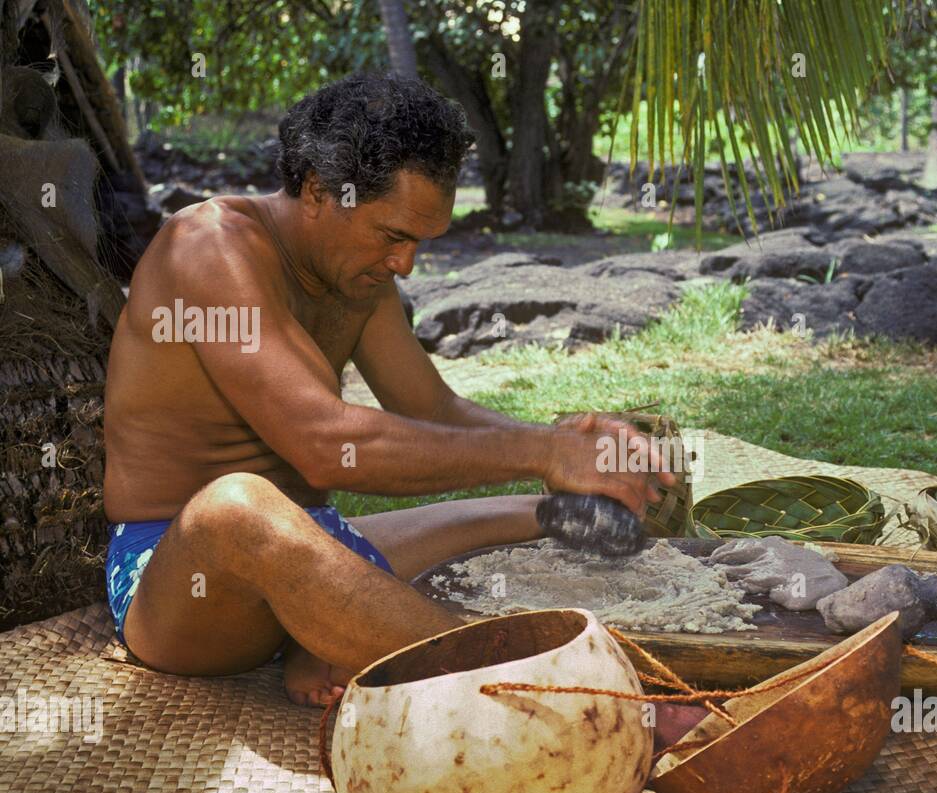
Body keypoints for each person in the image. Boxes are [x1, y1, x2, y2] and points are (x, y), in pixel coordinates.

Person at [102, 72, 673, 706]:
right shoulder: (207, 248)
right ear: (319, 191)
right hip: (183, 580)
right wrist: (542, 454)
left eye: (420, 244)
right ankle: (541, 688)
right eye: (393, 235)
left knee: (561, 518)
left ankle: (326, 632)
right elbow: (323, 444)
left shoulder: (357, 276)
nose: (404, 265)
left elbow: (431, 407)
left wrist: (562, 448)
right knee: (236, 506)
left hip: (314, 543)